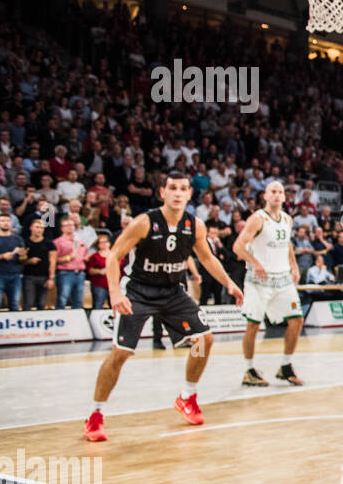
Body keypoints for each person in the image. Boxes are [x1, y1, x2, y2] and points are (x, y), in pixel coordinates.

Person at [84, 171, 244, 442]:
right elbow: (113, 256)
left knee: (203, 340)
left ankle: (187, 397)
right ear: (162, 192)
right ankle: (95, 415)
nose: (178, 193)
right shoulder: (143, 223)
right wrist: (114, 293)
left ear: (190, 194)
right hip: (137, 291)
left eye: (183, 188)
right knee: (120, 354)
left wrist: (229, 283)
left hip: (172, 291)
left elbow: (207, 258)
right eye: (173, 188)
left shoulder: (196, 225)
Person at [233, 181, 305, 388]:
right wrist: (255, 263)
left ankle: (286, 366)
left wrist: (294, 265)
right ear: (265, 196)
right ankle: (249, 370)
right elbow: (237, 246)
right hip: (259, 282)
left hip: (282, 280)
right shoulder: (257, 219)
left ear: (285, 197)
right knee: (253, 325)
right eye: (273, 191)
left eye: (280, 192)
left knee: (297, 320)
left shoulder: (287, 219)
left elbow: (287, 243)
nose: (277, 195)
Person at [53, 216, 89, 309]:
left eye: (72, 225)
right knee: (62, 299)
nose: (70, 227)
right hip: (65, 273)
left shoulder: (80, 241)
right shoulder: (58, 242)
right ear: (62, 228)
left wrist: (86, 258)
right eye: (67, 225)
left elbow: (85, 254)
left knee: (78, 301)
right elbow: (54, 259)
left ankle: (75, 322)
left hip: (80, 273)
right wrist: (68, 257)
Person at [21, 217, 55, 310]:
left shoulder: (49, 243)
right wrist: (29, 261)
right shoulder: (24, 242)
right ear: (31, 228)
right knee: (28, 303)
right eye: (37, 227)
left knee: (41, 303)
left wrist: (51, 278)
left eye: (41, 228)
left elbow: (53, 261)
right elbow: (20, 261)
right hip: (29, 276)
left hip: (44, 277)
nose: (39, 230)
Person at [0, 213, 23, 310]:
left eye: (8, 221)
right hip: (0, 274)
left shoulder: (17, 239)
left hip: (15, 275)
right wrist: (2, 256)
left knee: (15, 304)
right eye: (2, 221)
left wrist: (23, 255)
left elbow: (22, 260)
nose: (6, 223)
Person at [86, 234, 112, 308]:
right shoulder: (94, 256)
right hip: (99, 284)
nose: (104, 244)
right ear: (98, 245)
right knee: (98, 305)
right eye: (101, 242)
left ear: (109, 243)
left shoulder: (116, 255)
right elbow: (90, 270)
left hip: (114, 285)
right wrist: (100, 271)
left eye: (106, 242)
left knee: (115, 306)